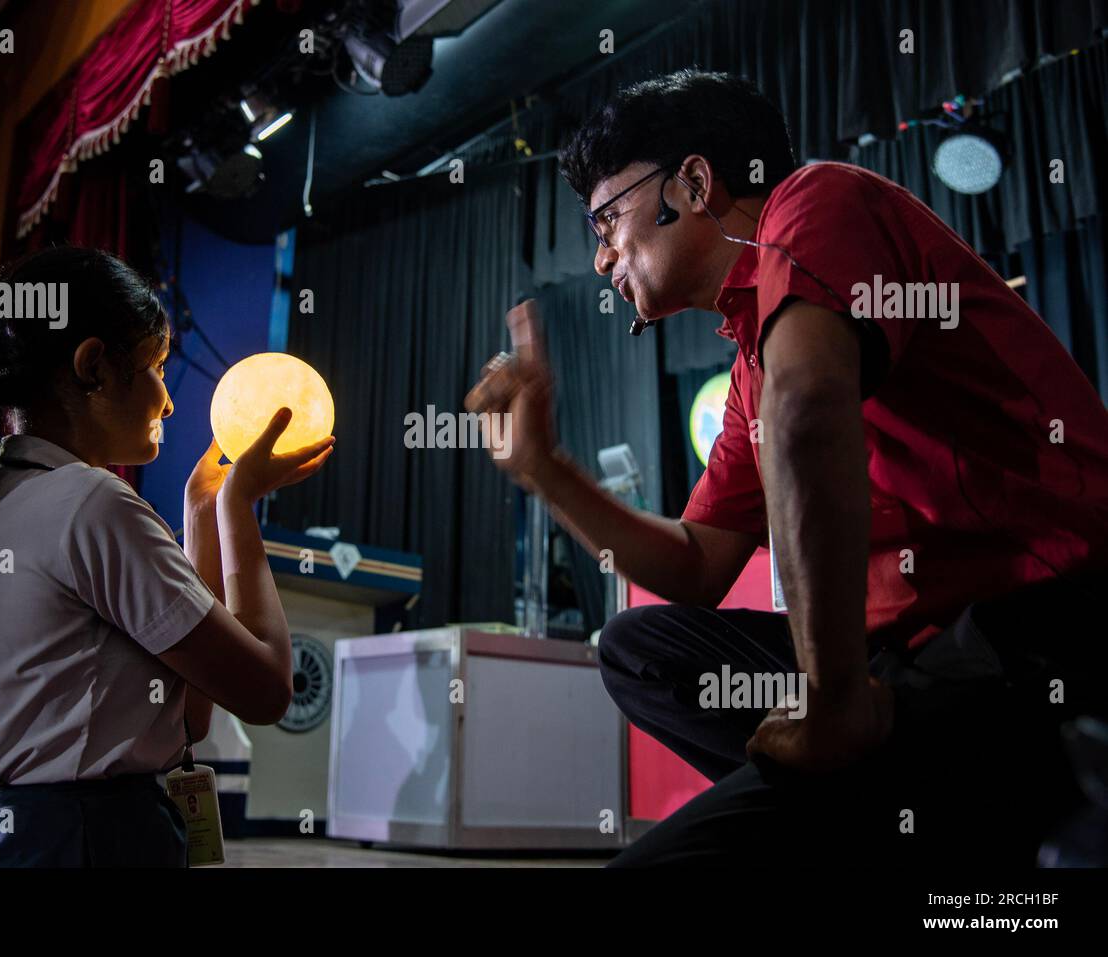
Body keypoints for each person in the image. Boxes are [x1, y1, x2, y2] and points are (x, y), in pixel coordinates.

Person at [465, 70, 1108, 865]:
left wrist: (832, 700)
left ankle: (897, 783)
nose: (601, 260)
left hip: (1035, 622)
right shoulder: (750, 364)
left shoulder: (817, 202)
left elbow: (806, 411)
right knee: (642, 647)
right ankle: (897, 809)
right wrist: (545, 469)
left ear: (694, 183)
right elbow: (699, 564)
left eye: (607, 220)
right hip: (907, 661)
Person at [0, 246, 333, 867]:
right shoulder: (93, 504)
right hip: (96, 839)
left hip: (12, 835)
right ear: (94, 366)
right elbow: (265, 692)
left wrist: (201, 514)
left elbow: (191, 714)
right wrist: (240, 508)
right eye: (156, 365)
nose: (170, 400)